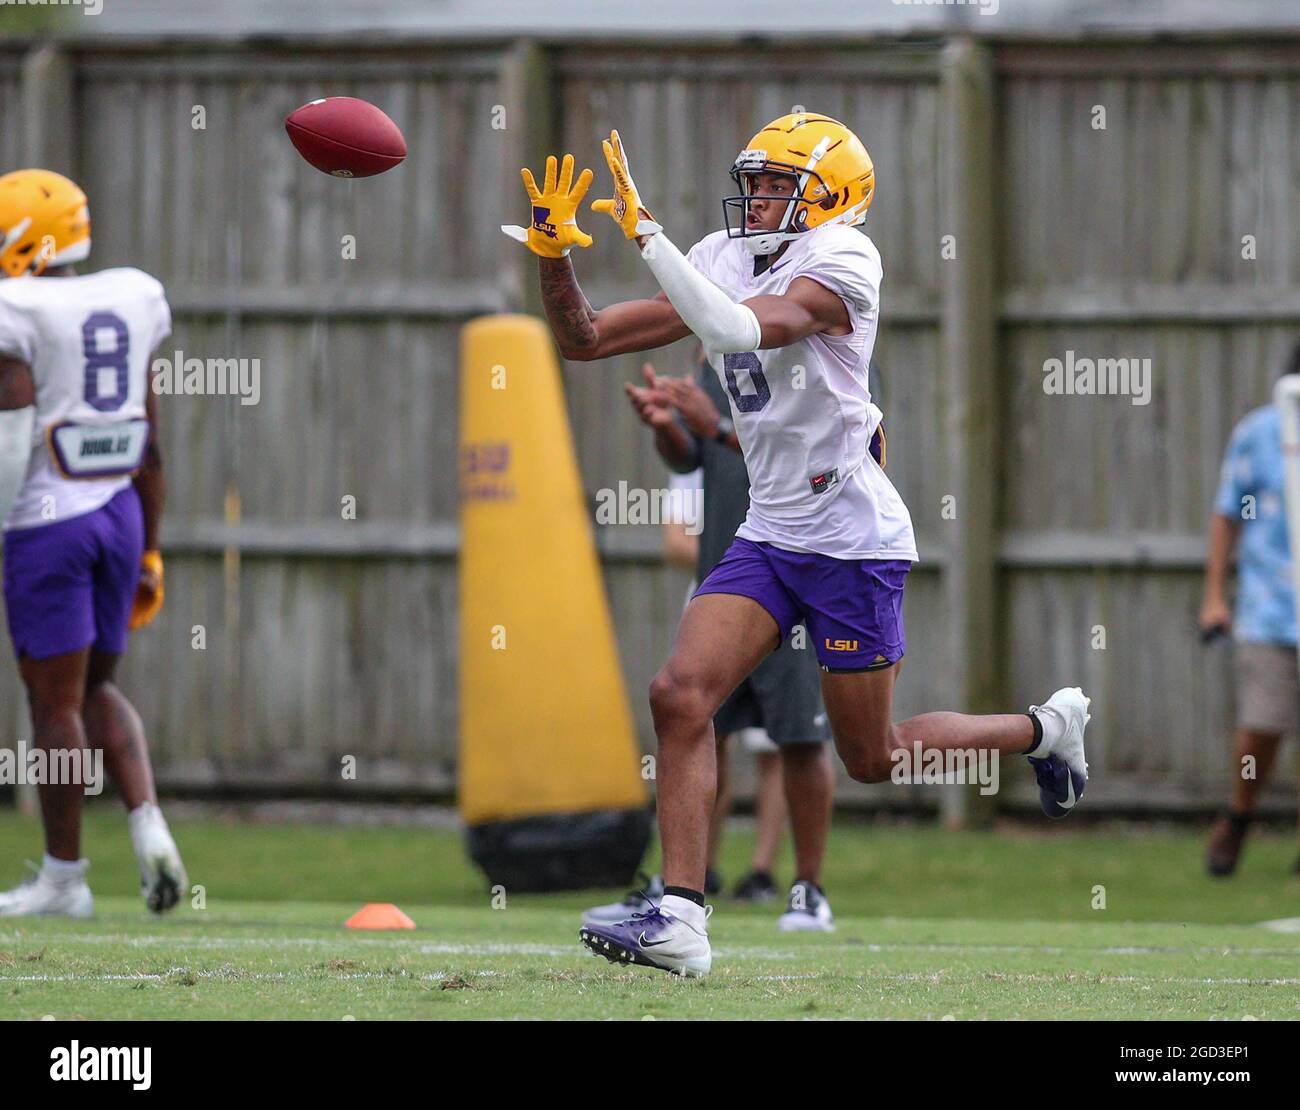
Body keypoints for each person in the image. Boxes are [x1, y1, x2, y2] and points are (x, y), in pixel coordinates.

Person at [503, 115, 1091, 977]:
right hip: (772, 532)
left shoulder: (847, 262)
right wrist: (554, 255)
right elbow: (586, 339)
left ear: (833, 200)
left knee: (874, 758)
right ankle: (680, 917)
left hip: (851, 540)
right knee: (679, 696)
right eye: (760, 180)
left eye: (783, 184)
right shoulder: (720, 254)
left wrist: (649, 235)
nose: (763, 197)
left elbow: (740, 330)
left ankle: (1044, 728)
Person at [587, 357, 837, 931]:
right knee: (693, 719)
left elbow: (821, 459)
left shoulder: (825, 353)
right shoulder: (715, 359)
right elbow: (691, 459)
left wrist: (718, 427)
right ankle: (681, 893)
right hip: (725, 580)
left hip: (796, 573)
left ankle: (808, 890)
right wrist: (666, 427)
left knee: (799, 737)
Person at [0, 169, 186, 917]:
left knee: (54, 706)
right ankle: (150, 831)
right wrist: (150, 547)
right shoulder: (131, 295)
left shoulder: (18, 308)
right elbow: (152, 441)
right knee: (96, 687)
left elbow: (13, 441)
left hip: (46, 521)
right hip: (119, 514)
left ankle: (64, 879)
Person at [1201, 343, 1300, 877]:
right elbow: (1227, 515)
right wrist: (1214, 597)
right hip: (1271, 607)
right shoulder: (1259, 433)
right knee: (1263, 723)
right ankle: (1238, 818)